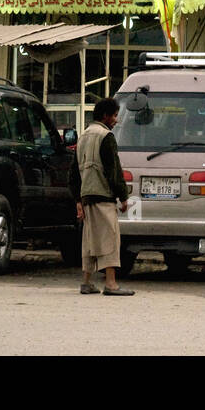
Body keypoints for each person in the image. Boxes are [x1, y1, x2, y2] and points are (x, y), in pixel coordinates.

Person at [71, 97, 133, 296]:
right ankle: (111, 283)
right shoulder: (105, 136)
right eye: (114, 116)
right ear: (105, 116)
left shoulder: (84, 136)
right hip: (102, 195)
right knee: (110, 238)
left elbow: (73, 172)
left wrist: (78, 200)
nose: (116, 120)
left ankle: (87, 282)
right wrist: (123, 196)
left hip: (86, 195)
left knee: (90, 240)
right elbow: (113, 170)